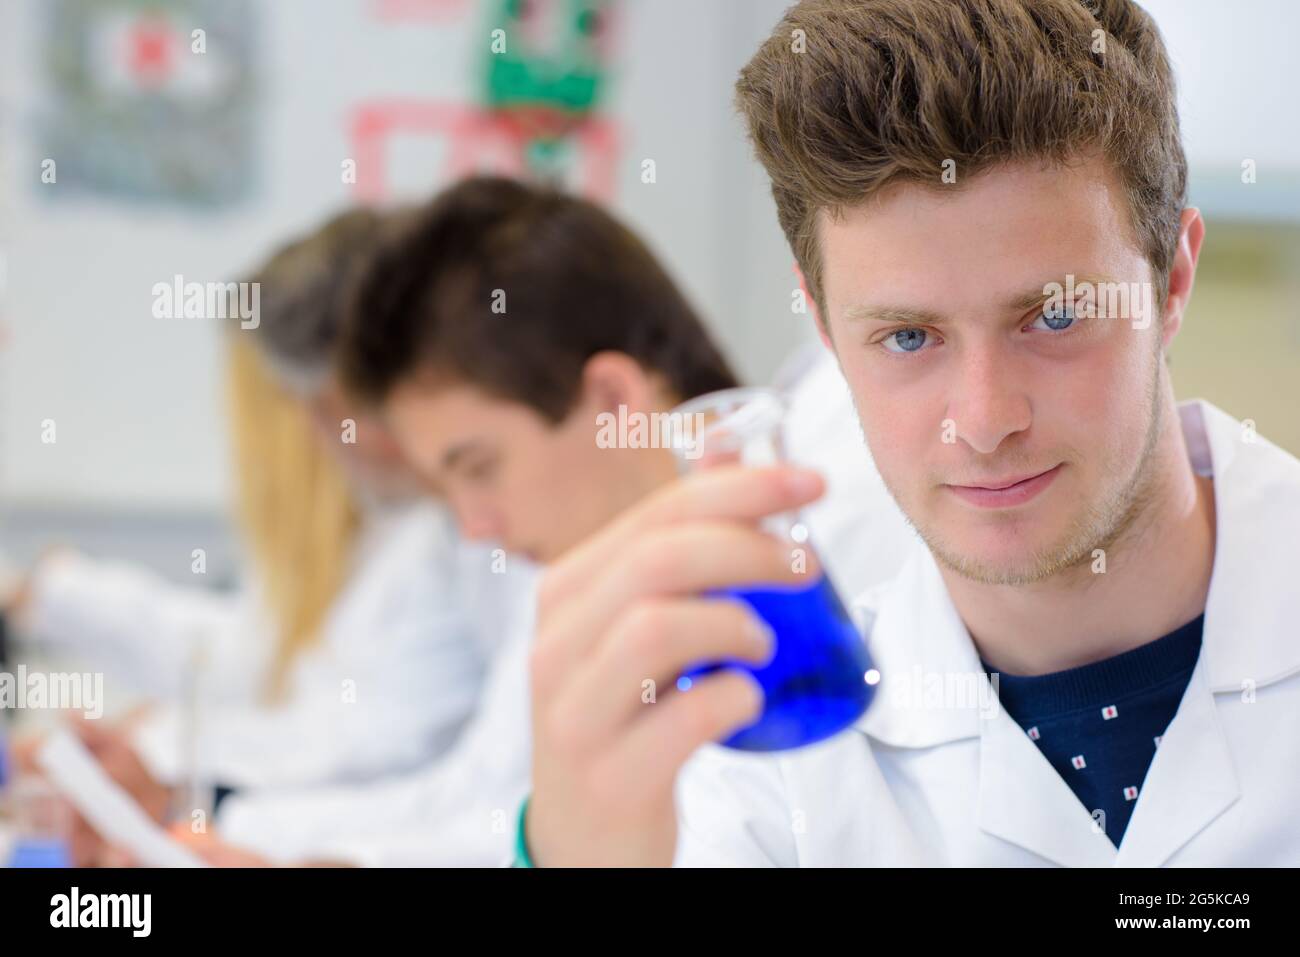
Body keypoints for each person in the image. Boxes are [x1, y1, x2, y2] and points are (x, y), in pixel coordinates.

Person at [518, 0, 1300, 866]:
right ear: (823, 328)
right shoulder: (763, 772)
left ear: (1174, 279)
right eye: (907, 337)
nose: (985, 419)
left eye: (1057, 315)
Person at [182, 176, 914, 865]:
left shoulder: (835, 529)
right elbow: (497, 798)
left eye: (477, 466)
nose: (473, 527)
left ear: (614, 403)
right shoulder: (591, 585)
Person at [7, 209, 521, 847]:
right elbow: (265, 659)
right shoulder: (417, 523)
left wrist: (181, 779)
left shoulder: (467, 532)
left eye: (320, 402)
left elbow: (421, 764)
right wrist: (163, 757)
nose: (320, 431)